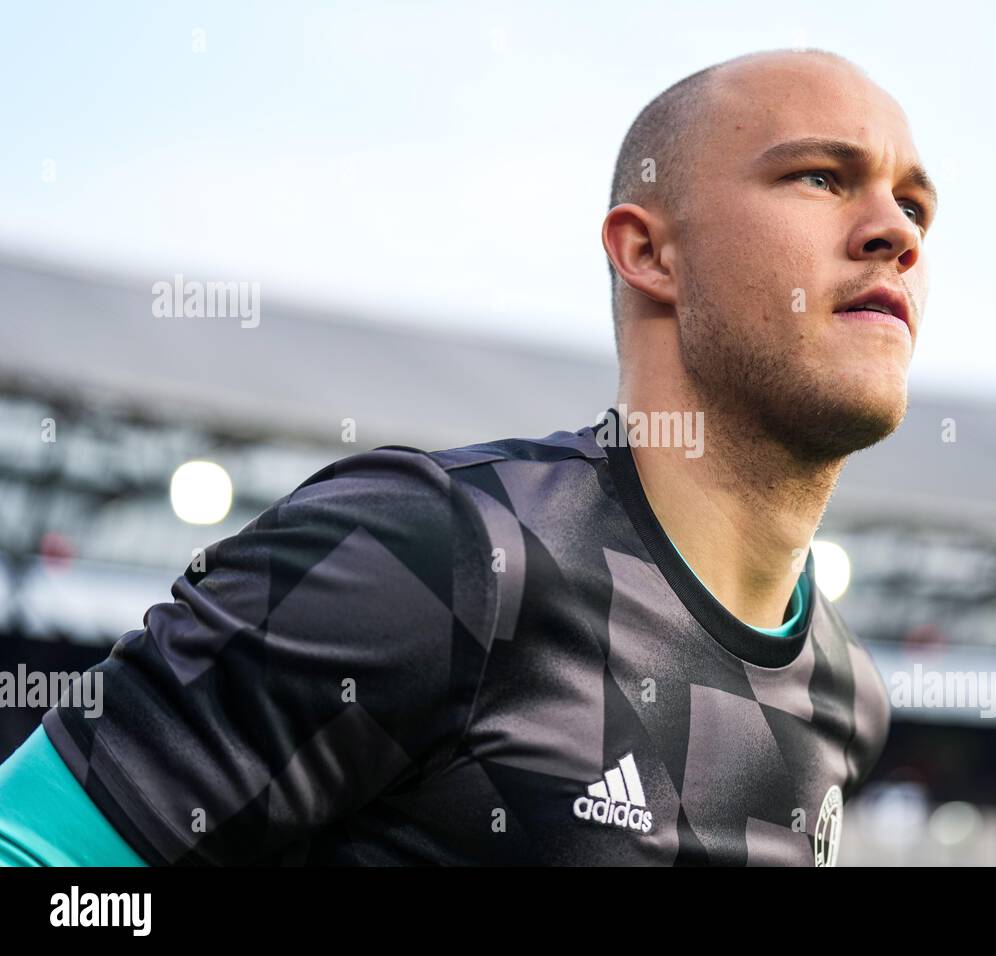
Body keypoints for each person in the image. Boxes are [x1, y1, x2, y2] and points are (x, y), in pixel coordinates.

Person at [0, 47, 934, 865]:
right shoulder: (440, 553)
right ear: (650, 251)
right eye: (819, 176)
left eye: (915, 203)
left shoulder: (849, 697)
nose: (897, 231)